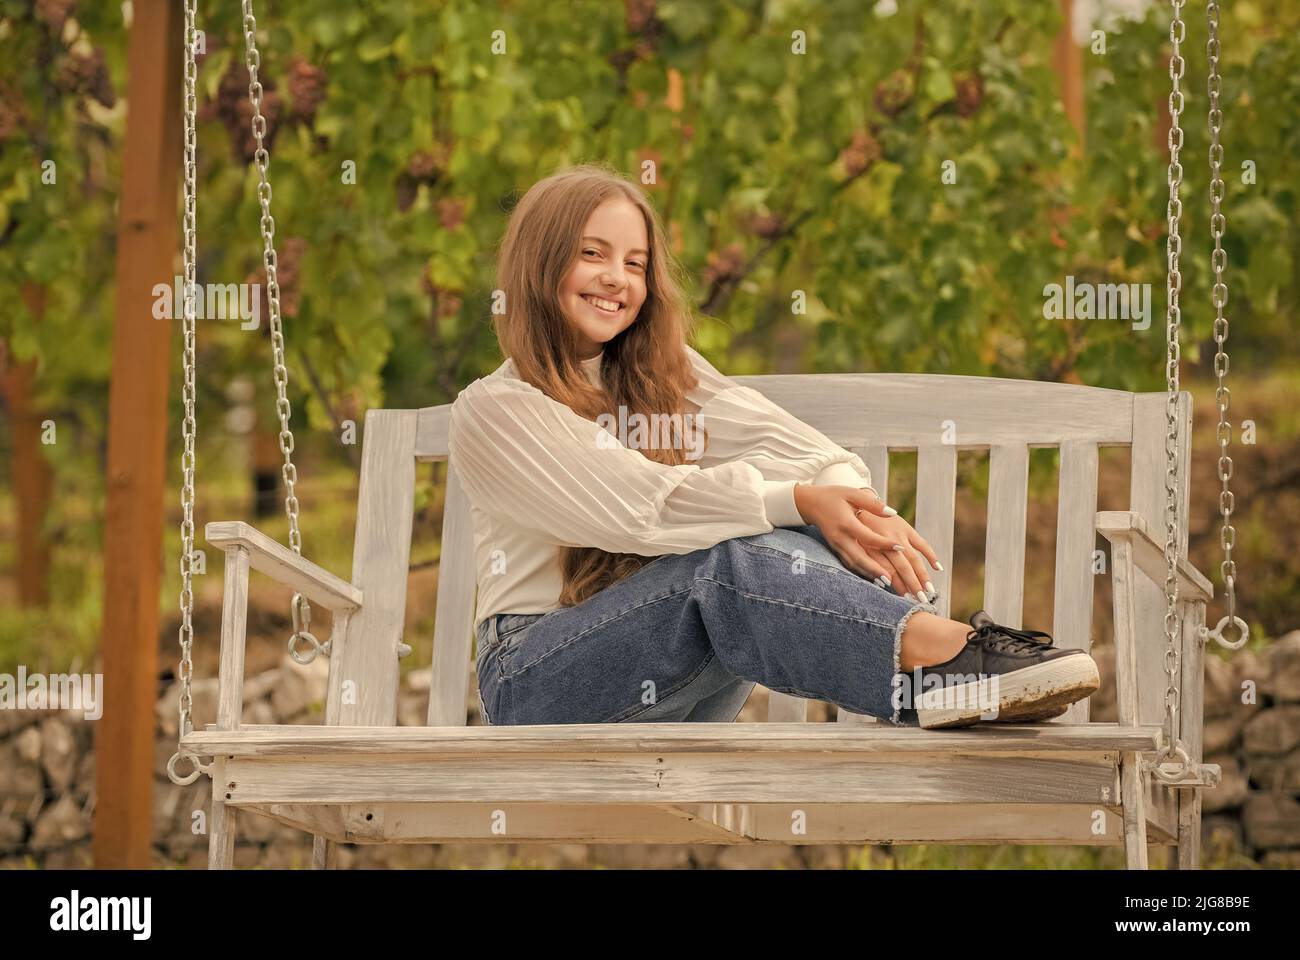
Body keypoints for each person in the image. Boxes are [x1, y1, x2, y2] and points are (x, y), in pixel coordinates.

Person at [448, 163, 1099, 730]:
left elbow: (805, 453)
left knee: (792, 528)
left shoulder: (660, 377)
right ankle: (946, 658)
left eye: (635, 264)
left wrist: (852, 511)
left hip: (671, 670)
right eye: (592, 254)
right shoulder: (495, 410)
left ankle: (942, 672)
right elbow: (642, 509)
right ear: (540, 263)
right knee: (725, 557)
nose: (617, 279)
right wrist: (802, 501)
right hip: (537, 679)